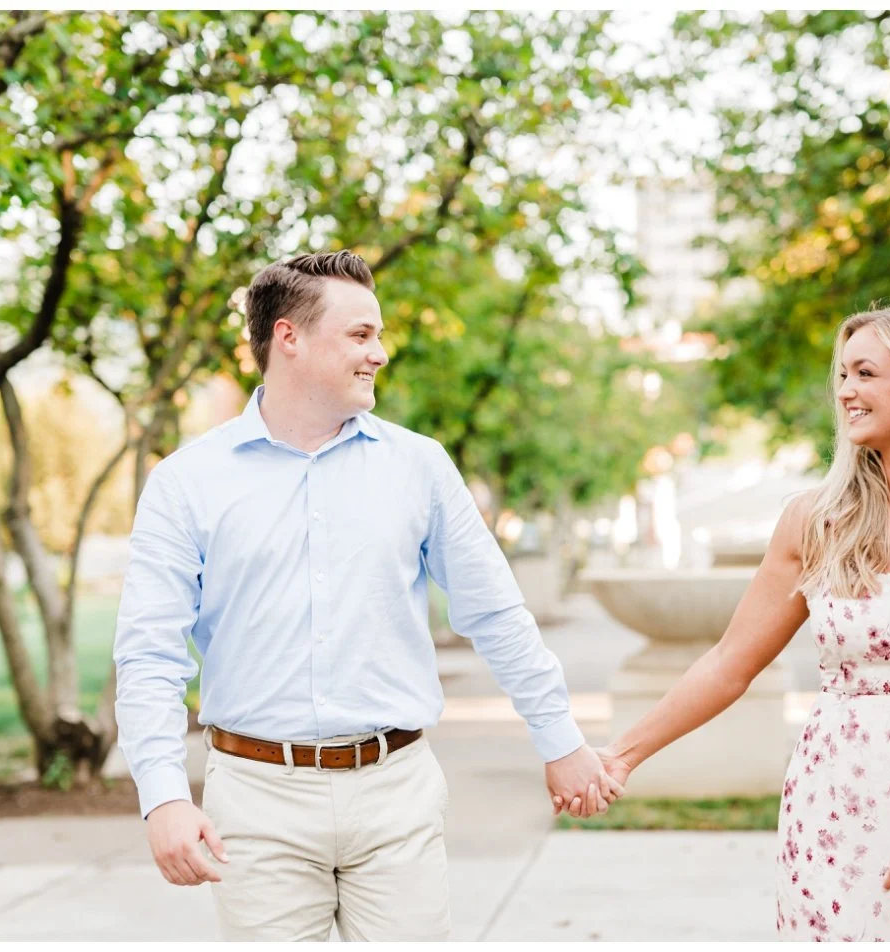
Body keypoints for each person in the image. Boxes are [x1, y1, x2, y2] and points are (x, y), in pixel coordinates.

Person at [114, 250, 620, 941]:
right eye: (359, 335)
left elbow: (495, 612)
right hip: (256, 801)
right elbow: (148, 654)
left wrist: (559, 739)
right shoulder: (186, 483)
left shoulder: (419, 466)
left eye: (377, 336)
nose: (378, 354)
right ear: (288, 337)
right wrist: (163, 795)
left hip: (396, 792)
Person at [572, 304, 890, 940]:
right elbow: (730, 663)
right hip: (833, 809)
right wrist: (620, 755)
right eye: (841, 375)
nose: (845, 392)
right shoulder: (816, 520)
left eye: (865, 373)